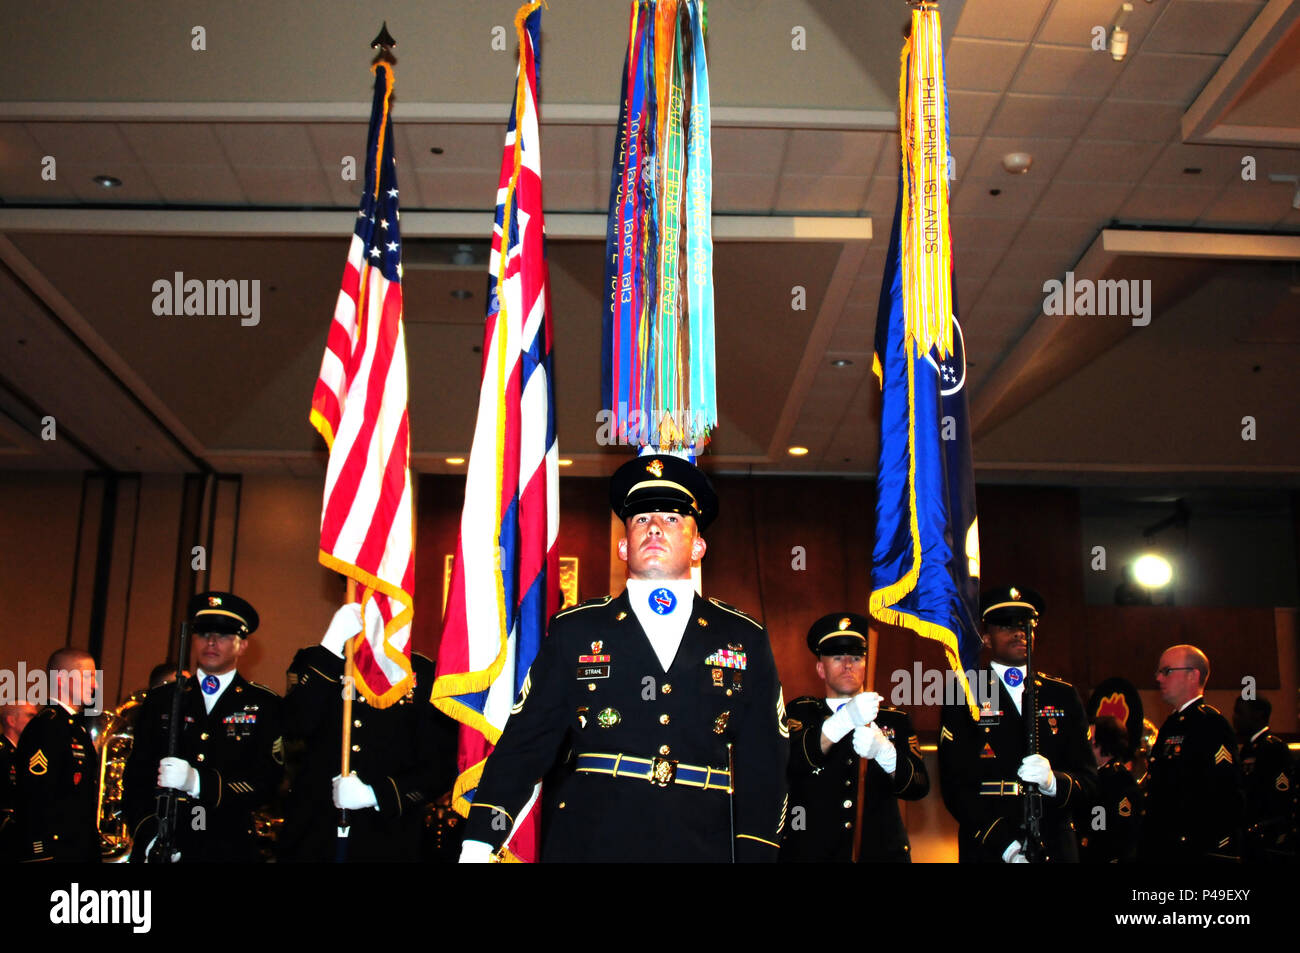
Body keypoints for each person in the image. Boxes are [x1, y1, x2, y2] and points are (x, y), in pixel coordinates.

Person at [460, 453, 789, 862]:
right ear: (623, 546)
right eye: (641, 519)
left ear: (698, 546)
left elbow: (764, 760)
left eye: (672, 519)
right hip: (593, 842)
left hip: (703, 845)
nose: (654, 527)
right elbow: (526, 744)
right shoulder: (577, 630)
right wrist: (480, 840)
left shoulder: (742, 636)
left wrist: (757, 854)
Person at [278, 601, 458, 862]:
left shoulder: (424, 673)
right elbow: (293, 727)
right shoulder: (318, 661)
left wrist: (378, 795)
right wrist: (330, 647)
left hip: (387, 837)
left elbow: (440, 766)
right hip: (313, 833)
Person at [938, 586, 1096, 863]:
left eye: (1025, 625)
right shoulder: (965, 692)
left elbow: (1089, 781)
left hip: (1054, 842)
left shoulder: (1062, 694)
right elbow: (956, 786)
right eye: (1006, 625)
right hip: (990, 847)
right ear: (986, 638)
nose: (1019, 632)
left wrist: (1053, 782)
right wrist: (1007, 848)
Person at [124, 592, 283, 862]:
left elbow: (267, 781)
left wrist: (199, 783)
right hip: (165, 840)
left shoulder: (263, 704)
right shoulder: (163, 699)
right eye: (204, 633)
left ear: (243, 645)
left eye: (223, 635)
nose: (211, 641)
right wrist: (150, 838)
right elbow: (136, 778)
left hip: (227, 846)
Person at [782, 612, 928, 862]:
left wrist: (886, 753)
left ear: (866, 666)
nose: (848, 664)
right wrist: (844, 720)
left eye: (857, 657)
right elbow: (792, 763)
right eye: (837, 657)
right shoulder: (801, 713)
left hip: (880, 854)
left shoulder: (894, 720)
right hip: (814, 854)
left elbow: (918, 786)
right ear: (820, 668)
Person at [1141, 644, 1244, 862]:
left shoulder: (1211, 724)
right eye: (1159, 672)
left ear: (1192, 676)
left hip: (1195, 847)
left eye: (1166, 671)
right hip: (1166, 844)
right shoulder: (1170, 725)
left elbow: (1223, 792)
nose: (1158, 678)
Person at [14, 649, 101, 862]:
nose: (95, 685)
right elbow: (35, 795)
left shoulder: (75, 729)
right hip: (55, 851)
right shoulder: (47, 727)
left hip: (78, 849)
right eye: (88, 677)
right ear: (61, 679)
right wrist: (40, 851)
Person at [1232, 696, 1295, 861]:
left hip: (1266, 836)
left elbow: (1281, 798)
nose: (1235, 718)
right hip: (1249, 833)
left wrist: (1263, 826)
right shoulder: (1248, 748)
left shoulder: (1273, 748)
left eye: (1240, 712)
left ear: (1258, 714)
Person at [1078, 715, 1141, 863]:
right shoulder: (1096, 776)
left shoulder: (1119, 779)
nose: (1086, 746)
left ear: (1102, 743)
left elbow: (1122, 833)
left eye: (1091, 740)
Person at [1, 702, 39, 860]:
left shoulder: (27, 753)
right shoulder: (3, 753)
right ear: (11, 720)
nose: (36, 721)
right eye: (30, 716)